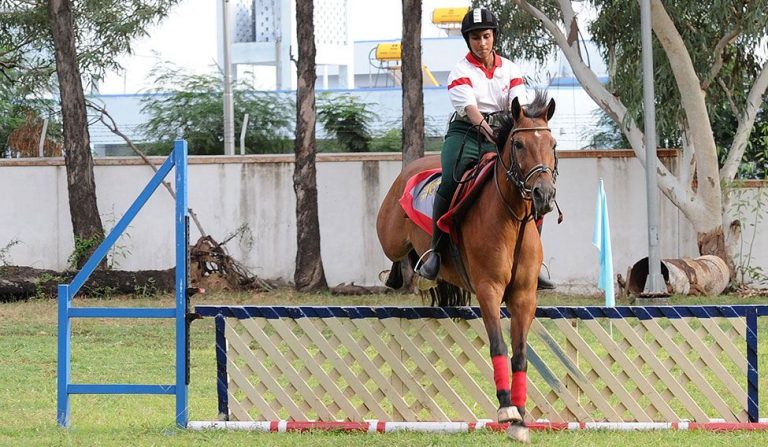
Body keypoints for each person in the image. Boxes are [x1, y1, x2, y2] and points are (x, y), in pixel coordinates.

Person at [416, 7, 555, 290]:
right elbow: (471, 110)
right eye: (476, 37)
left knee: (533, 184)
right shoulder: (459, 71)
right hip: (466, 134)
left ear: (494, 37)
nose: (482, 42)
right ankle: (435, 252)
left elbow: (519, 107)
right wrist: (493, 135)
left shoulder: (511, 69)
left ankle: (533, 259)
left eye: (487, 36)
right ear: (469, 40)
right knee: (451, 181)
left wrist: (517, 134)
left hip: (506, 133)